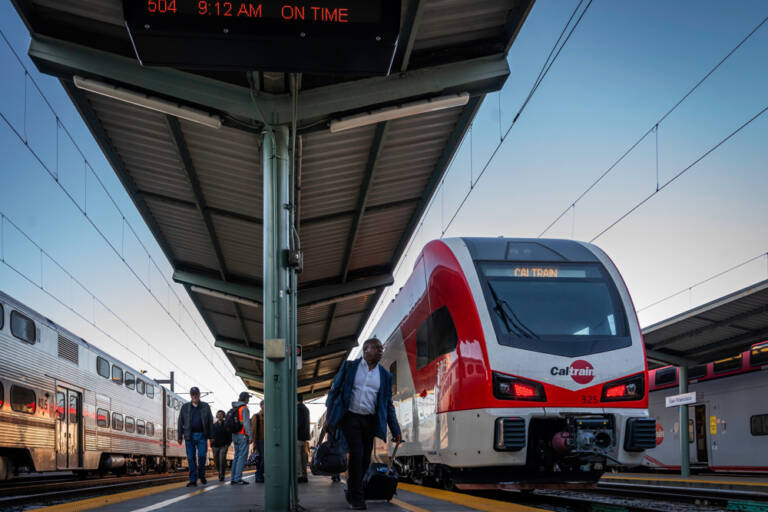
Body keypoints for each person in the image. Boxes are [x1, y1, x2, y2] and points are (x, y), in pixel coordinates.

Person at [325, 338, 402, 510]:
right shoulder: (349, 367)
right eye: (376, 348)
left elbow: (387, 404)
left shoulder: (385, 376)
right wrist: (329, 418)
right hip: (350, 417)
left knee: (365, 459)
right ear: (365, 349)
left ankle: (353, 491)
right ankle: (357, 498)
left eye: (381, 348)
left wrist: (395, 429)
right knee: (357, 454)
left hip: (369, 420)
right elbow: (334, 392)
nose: (380, 351)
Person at [177, 387, 214, 487]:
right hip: (189, 435)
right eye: (193, 394)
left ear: (199, 395)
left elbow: (210, 421)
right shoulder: (185, 407)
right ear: (190, 395)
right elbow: (180, 422)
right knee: (190, 458)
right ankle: (193, 480)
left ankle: (201, 475)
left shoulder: (205, 406)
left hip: (202, 435)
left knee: (202, 456)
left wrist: (211, 436)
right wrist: (179, 436)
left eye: (196, 394)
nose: (194, 396)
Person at [230, 392, 251, 485]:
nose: (248, 400)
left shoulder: (234, 408)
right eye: (248, 398)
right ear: (245, 398)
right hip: (242, 435)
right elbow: (246, 424)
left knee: (236, 456)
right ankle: (238, 478)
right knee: (242, 457)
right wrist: (250, 436)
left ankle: (233, 478)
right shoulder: (244, 408)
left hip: (235, 435)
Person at [211, 410, 231, 482]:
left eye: (221, 414)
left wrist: (228, 444)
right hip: (215, 446)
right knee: (216, 461)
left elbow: (230, 436)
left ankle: (222, 475)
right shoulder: (213, 426)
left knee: (222, 460)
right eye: (218, 414)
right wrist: (211, 443)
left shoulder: (226, 425)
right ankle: (220, 472)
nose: (220, 415)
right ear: (217, 416)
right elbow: (211, 436)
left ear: (223, 416)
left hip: (223, 446)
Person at [250, 400, 265, 482]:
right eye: (264, 404)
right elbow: (254, 430)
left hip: (268, 442)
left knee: (265, 459)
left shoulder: (270, 416)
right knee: (262, 459)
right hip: (260, 441)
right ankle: (258, 475)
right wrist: (254, 443)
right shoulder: (256, 416)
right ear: (261, 406)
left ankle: (261, 475)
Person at [297, 394, 310, 483]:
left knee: (298, 457)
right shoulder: (306, 408)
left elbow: (298, 423)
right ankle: (304, 476)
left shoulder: (298, 408)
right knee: (303, 457)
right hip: (304, 437)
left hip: (298, 436)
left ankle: (299, 475)